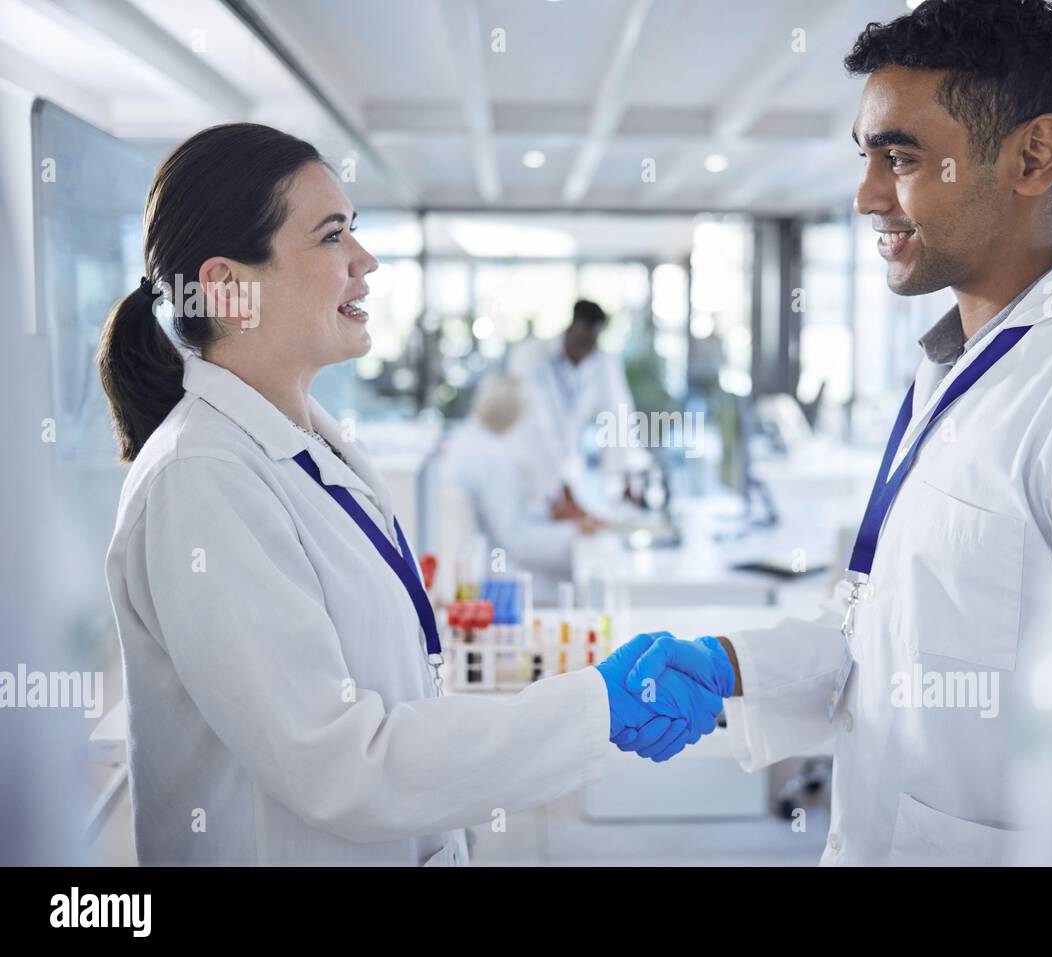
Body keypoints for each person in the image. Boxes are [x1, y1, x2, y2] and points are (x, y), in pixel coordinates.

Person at [617, 0, 1052, 865]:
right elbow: (882, 625)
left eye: (901, 158)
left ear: (1033, 156)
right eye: (867, 157)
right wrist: (731, 664)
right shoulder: (957, 365)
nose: (866, 195)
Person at [96, 123, 720, 866]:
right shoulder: (200, 479)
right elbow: (342, 765)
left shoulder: (311, 448)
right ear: (230, 287)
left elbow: (391, 698)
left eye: (354, 230)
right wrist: (594, 705)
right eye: (332, 237)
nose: (366, 260)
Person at [441, 375, 599, 603]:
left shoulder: (465, 441)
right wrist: (575, 533)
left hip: (484, 567)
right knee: (583, 582)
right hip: (501, 581)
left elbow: (506, 517)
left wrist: (548, 516)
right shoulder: (494, 460)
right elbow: (517, 539)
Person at [507, 299, 646, 514]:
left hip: (568, 471)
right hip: (527, 468)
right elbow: (535, 424)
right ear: (571, 328)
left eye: (592, 341)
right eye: (582, 339)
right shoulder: (531, 356)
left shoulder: (602, 362)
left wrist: (626, 476)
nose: (586, 349)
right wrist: (559, 485)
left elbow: (618, 415)